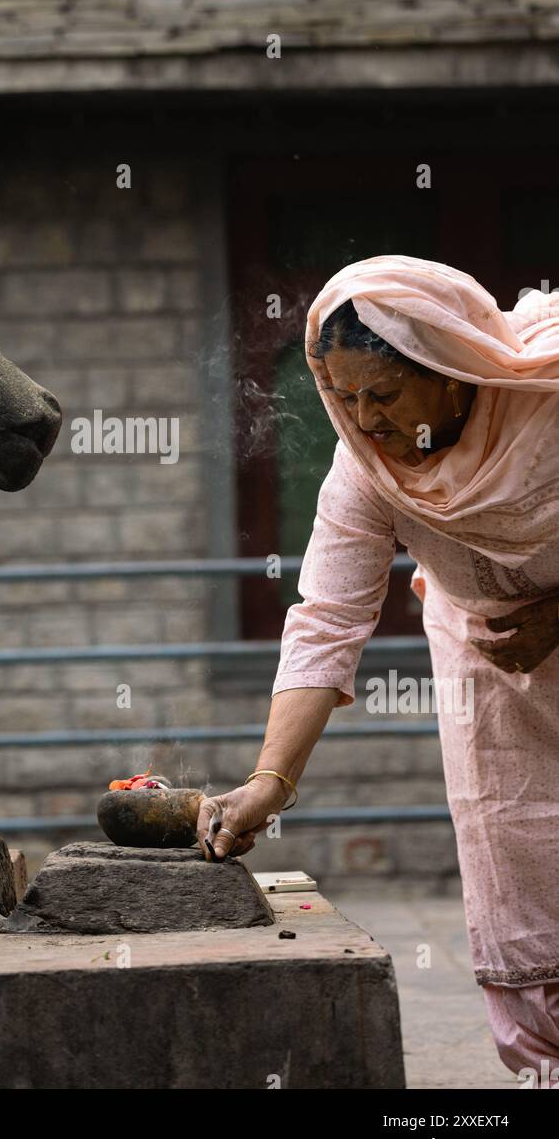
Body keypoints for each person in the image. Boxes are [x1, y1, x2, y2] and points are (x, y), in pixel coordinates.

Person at [197, 255, 559, 1087]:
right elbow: (326, 616)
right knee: (526, 871)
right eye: (345, 396)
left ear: (448, 369)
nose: (363, 419)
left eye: (384, 395)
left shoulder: (543, 410)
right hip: (491, 672)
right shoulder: (368, 469)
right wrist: (269, 782)